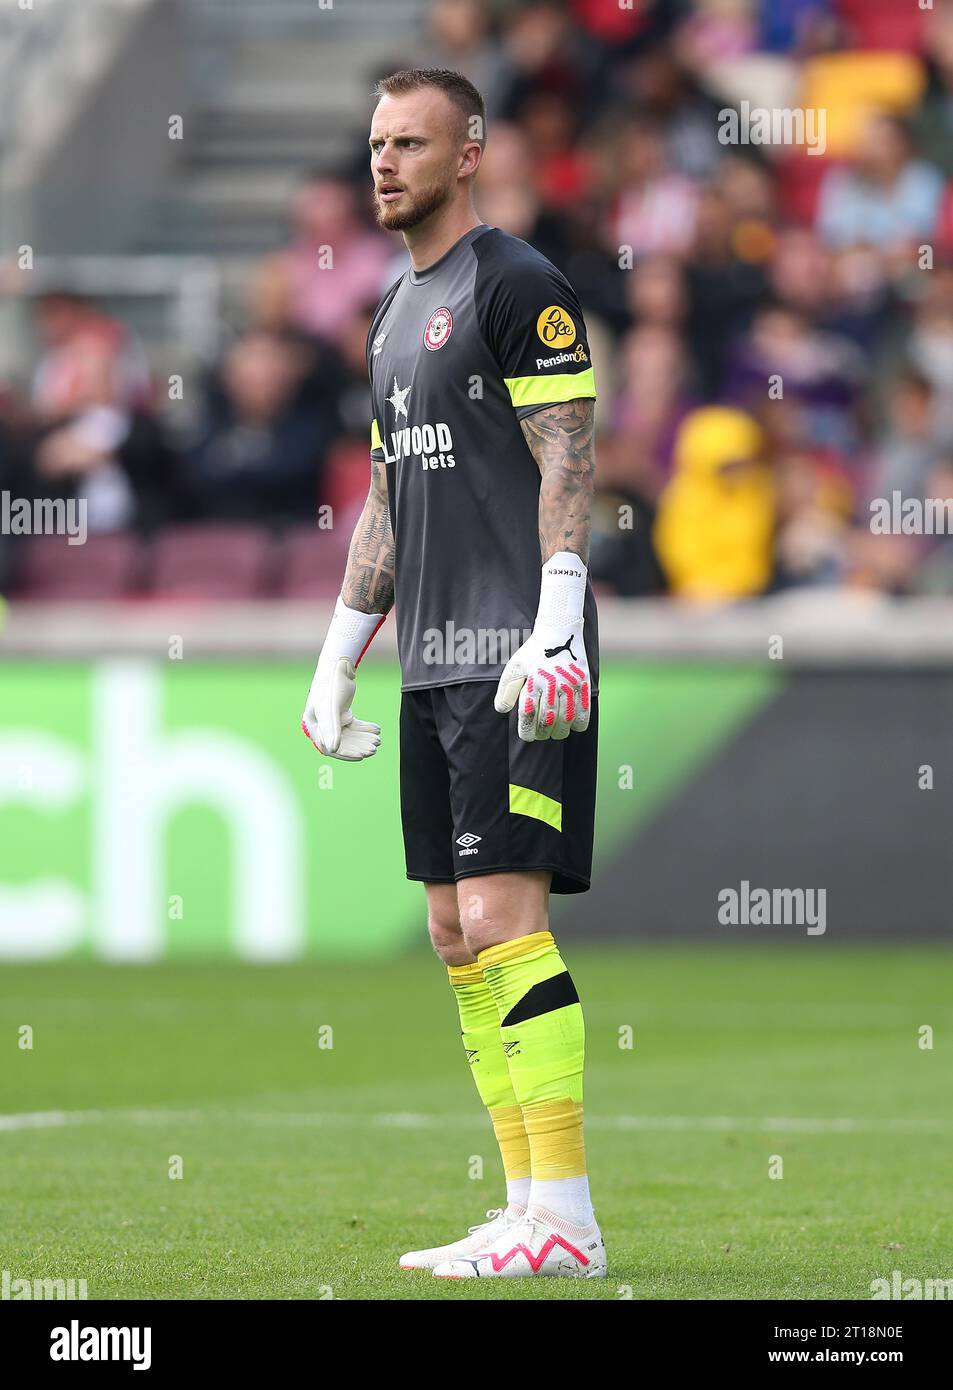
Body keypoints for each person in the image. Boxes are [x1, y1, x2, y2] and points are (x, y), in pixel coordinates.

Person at [301, 68, 604, 1280]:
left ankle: (568, 1216)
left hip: (516, 658)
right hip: (430, 665)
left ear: (467, 154)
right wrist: (336, 658)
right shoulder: (387, 314)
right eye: (375, 141)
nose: (384, 162)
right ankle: (524, 1198)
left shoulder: (516, 283)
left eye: (410, 142)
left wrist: (560, 618)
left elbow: (567, 449)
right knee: (450, 931)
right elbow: (387, 494)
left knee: (501, 918)